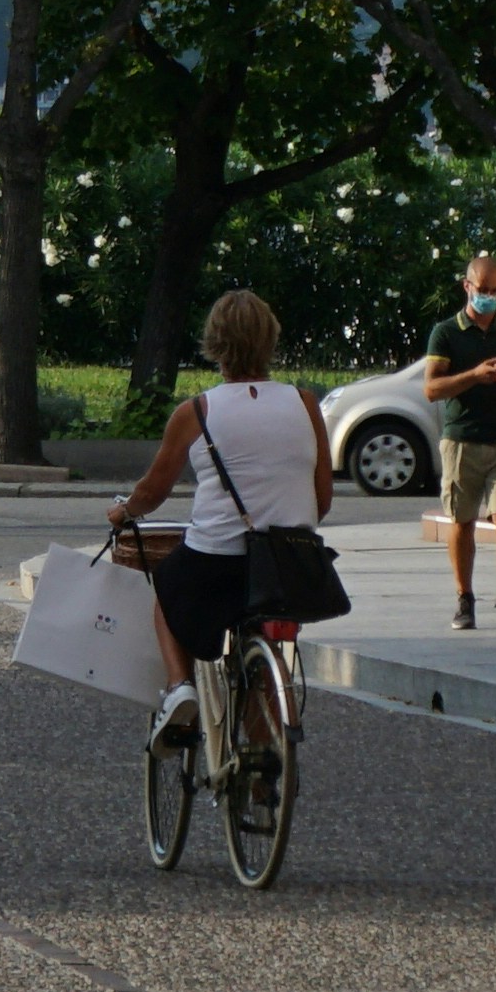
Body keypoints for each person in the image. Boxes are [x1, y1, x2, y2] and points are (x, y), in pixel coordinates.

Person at [104, 290, 330, 782]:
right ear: (270, 341)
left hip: (216, 561)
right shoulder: (305, 404)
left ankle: (180, 687)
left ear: (214, 344)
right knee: (261, 645)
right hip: (289, 563)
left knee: (167, 590)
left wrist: (122, 511)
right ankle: (261, 767)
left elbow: (153, 491)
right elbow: (323, 498)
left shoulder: (197, 412)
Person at [411, 251, 496, 630]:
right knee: (461, 521)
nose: (489, 296)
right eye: (483, 289)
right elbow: (432, 389)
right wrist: (475, 375)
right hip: (462, 440)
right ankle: (464, 598)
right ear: (467, 287)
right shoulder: (446, 332)